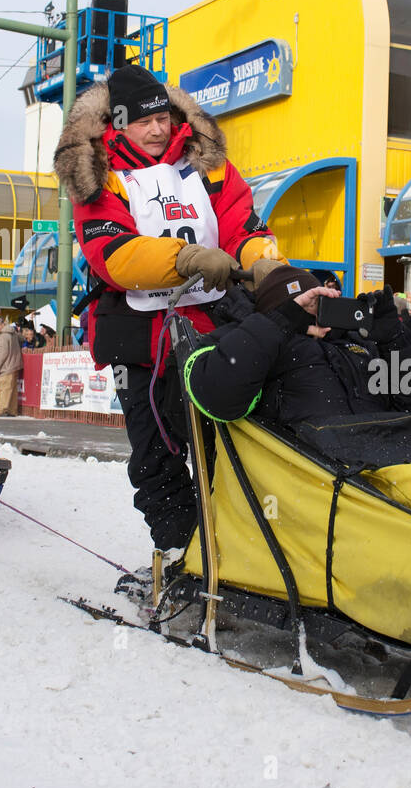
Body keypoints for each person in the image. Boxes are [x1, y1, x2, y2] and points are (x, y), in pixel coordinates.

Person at [54, 62, 285, 554]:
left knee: (233, 445)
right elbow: (112, 254)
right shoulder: (97, 173)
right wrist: (186, 258)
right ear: (118, 123)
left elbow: (242, 227)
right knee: (156, 455)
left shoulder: (208, 164)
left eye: (163, 117)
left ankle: (236, 551)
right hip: (141, 340)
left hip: (216, 327)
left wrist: (264, 263)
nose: (159, 129)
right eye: (144, 121)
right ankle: (181, 551)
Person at [182, 266, 411, 465]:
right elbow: (217, 397)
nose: (314, 313)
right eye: (303, 306)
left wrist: (396, 340)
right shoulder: (248, 344)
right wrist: (281, 324)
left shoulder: (358, 345)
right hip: (321, 487)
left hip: (406, 467)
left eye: (320, 304)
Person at [0, 317, 23, 416]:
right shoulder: (13, 333)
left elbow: (3, 352)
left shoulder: (3, 336)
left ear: (1, 324)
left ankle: (1, 410)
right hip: (14, 364)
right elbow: (22, 338)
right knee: (12, 390)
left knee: (3, 388)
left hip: (6, 366)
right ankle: (12, 410)